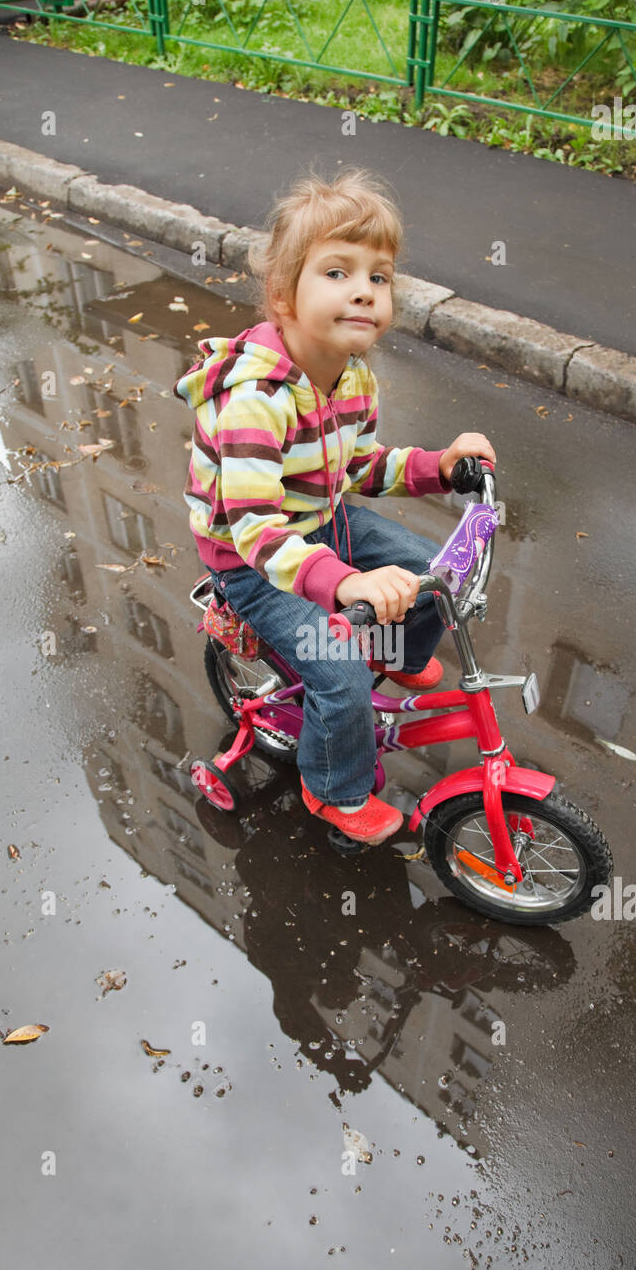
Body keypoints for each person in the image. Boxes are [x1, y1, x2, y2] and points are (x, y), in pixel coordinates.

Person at [174, 167, 496, 844]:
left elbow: (360, 468)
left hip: (322, 520)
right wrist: (345, 581)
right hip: (252, 559)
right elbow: (255, 526)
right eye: (337, 272)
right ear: (282, 296)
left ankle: (398, 650)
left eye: (379, 277)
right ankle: (336, 791)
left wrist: (441, 467)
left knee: (431, 571)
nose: (364, 290)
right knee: (342, 672)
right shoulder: (256, 399)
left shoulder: (351, 378)